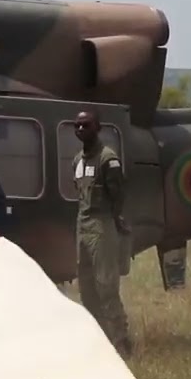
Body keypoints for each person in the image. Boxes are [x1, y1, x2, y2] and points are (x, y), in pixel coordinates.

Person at [73, 110, 132, 357]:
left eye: (86, 125)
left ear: (97, 128)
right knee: (86, 287)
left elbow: (118, 196)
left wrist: (116, 222)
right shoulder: (77, 160)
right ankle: (99, 337)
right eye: (77, 126)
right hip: (83, 225)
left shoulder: (108, 159)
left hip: (102, 225)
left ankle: (122, 341)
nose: (81, 130)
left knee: (106, 286)